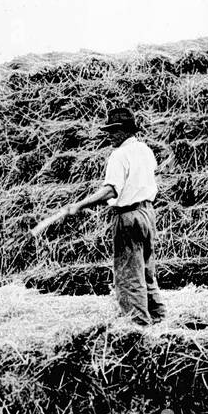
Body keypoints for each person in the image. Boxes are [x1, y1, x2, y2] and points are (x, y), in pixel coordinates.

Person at [34, 105, 166, 323]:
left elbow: (111, 190)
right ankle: (160, 321)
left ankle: (138, 329)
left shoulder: (119, 154)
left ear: (125, 130)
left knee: (129, 277)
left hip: (128, 217)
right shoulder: (145, 150)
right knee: (146, 272)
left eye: (113, 131)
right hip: (148, 215)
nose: (109, 136)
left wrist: (80, 204)